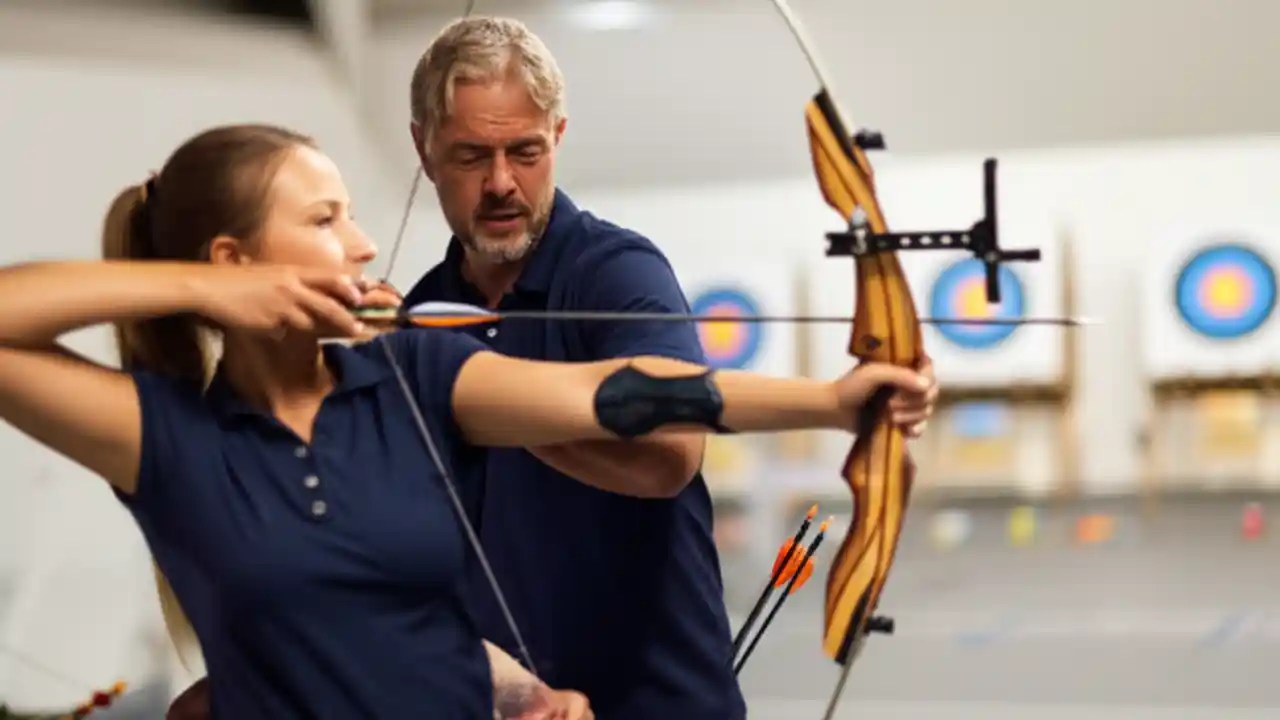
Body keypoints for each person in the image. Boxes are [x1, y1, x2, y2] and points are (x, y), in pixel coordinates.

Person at [0, 123, 934, 719]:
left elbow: (616, 394)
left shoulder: (413, 372)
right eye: (326, 220)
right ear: (236, 256)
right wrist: (204, 290)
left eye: (354, 214)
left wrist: (832, 402)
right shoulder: (165, 438)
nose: (363, 244)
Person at [396, 15, 935, 720]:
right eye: (471, 157)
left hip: (658, 699)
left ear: (557, 136)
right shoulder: (424, 312)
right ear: (424, 149)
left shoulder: (614, 271)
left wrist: (477, 397)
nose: (502, 182)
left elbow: (670, 453)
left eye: (524, 151)